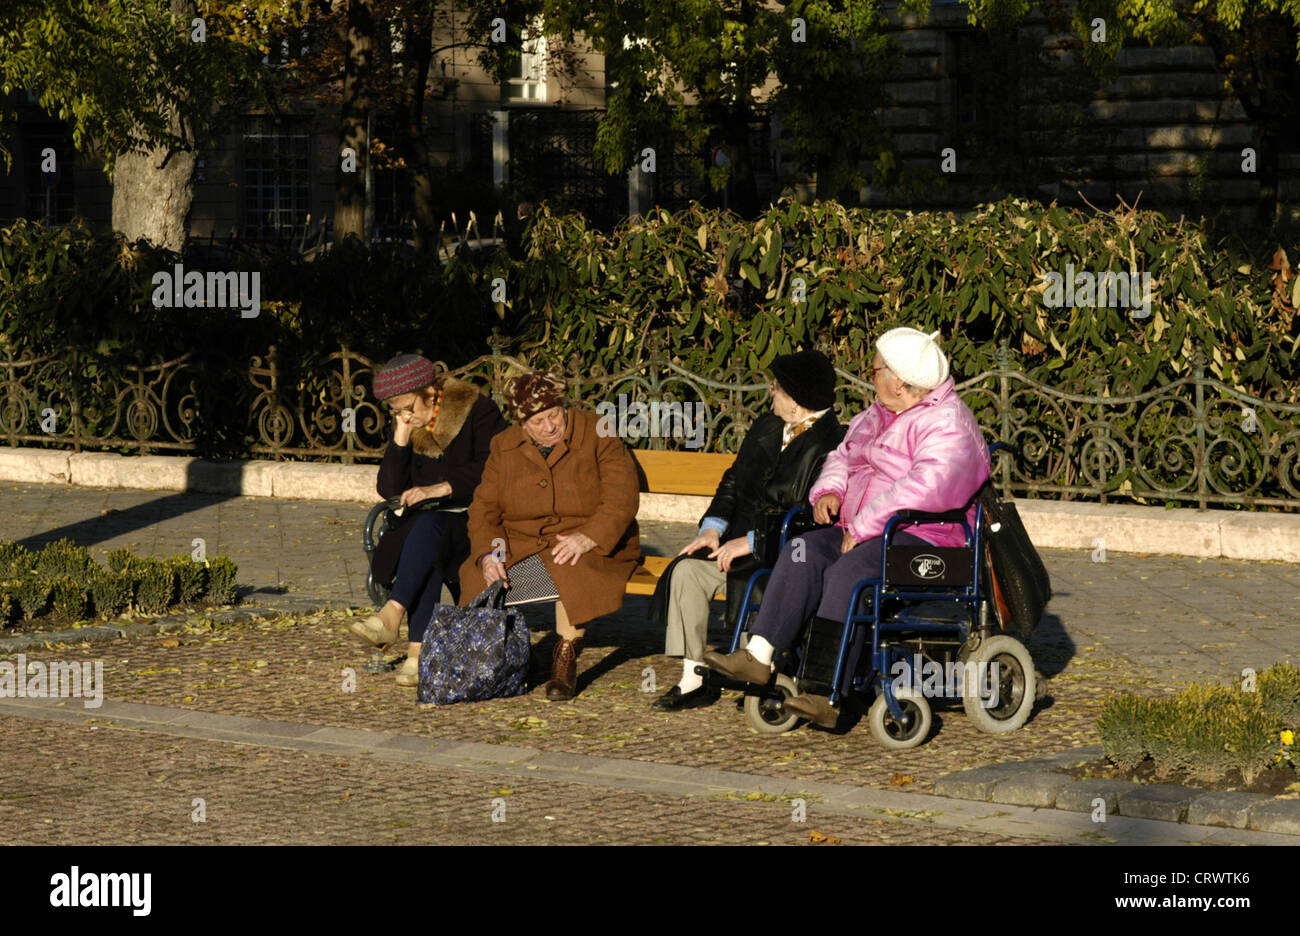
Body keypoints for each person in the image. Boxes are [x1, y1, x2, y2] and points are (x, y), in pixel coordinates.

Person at [704, 328, 991, 727]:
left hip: (925, 537)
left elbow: (926, 487)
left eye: (873, 370)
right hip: (860, 527)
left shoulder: (949, 423)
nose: (869, 376)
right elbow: (842, 455)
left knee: (847, 572)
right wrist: (829, 490)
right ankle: (759, 655)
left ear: (901, 382)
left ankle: (824, 692)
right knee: (800, 550)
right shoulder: (876, 413)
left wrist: (863, 526)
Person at [649, 350, 844, 711]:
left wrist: (753, 542)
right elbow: (733, 480)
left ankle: (766, 674)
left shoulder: (831, 443)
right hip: (731, 546)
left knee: (759, 581)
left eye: (777, 388)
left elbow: (808, 517)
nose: (770, 392)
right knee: (687, 570)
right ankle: (693, 678)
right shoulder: (767, 425)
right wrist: (712, 528)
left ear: (797, 399)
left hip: (784, 555)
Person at [457, 370, 640, 701]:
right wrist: (488, 554)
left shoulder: (598, 429)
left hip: (592, 540)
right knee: (476, 575)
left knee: (571, 565)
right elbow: (483, 509)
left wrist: (589, 536)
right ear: (522, 423)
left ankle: (564, 658)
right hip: (525, 543)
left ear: (563, 406)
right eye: (537, 421)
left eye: (554, 414)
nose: (549, 426)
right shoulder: (504, 444)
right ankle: (499, 664)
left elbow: (622, 495)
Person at [350, 353, 507, 687]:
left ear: (431, 392)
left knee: (428, 534)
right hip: (429, 529)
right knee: (427, 536)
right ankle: (416, 654)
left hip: (476, 521)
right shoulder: (410, 424)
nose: (404, 415)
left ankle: (401, 629)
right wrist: (401, 436)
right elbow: (389, 489)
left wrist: (442, 486)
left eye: (407, 407)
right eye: (395, 410)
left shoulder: (479, 411)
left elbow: (496, 468)